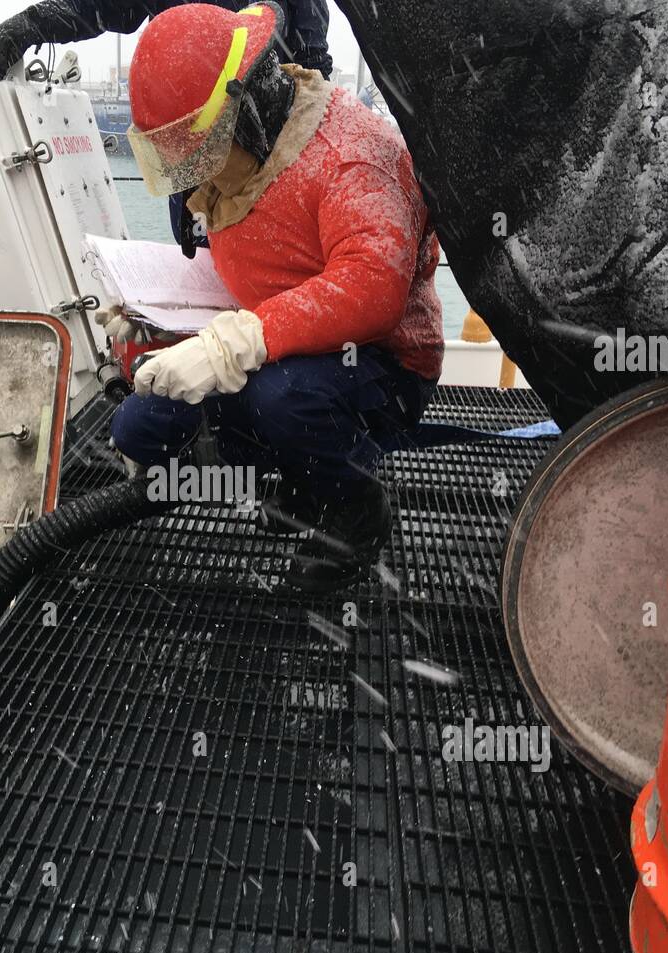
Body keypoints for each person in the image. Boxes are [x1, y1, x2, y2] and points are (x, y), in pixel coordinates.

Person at [111, 2, 443, 592]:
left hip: (377, 365)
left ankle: (355, 509)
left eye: (205, 161)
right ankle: (293, 481)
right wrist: (159, 322)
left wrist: (231, 345)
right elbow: (250, 273)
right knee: (143, 423)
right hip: (277, 344)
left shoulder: (350, 152)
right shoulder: (235, 160)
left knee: (282, 397)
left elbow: (373, 287)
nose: (194, 195)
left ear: (251, 113)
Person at [0, 0, 333, 82]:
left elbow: (312, 54)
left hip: (270, 131)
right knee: (198, 261)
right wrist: (35, 22)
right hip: (191, 140)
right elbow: (100, 7)